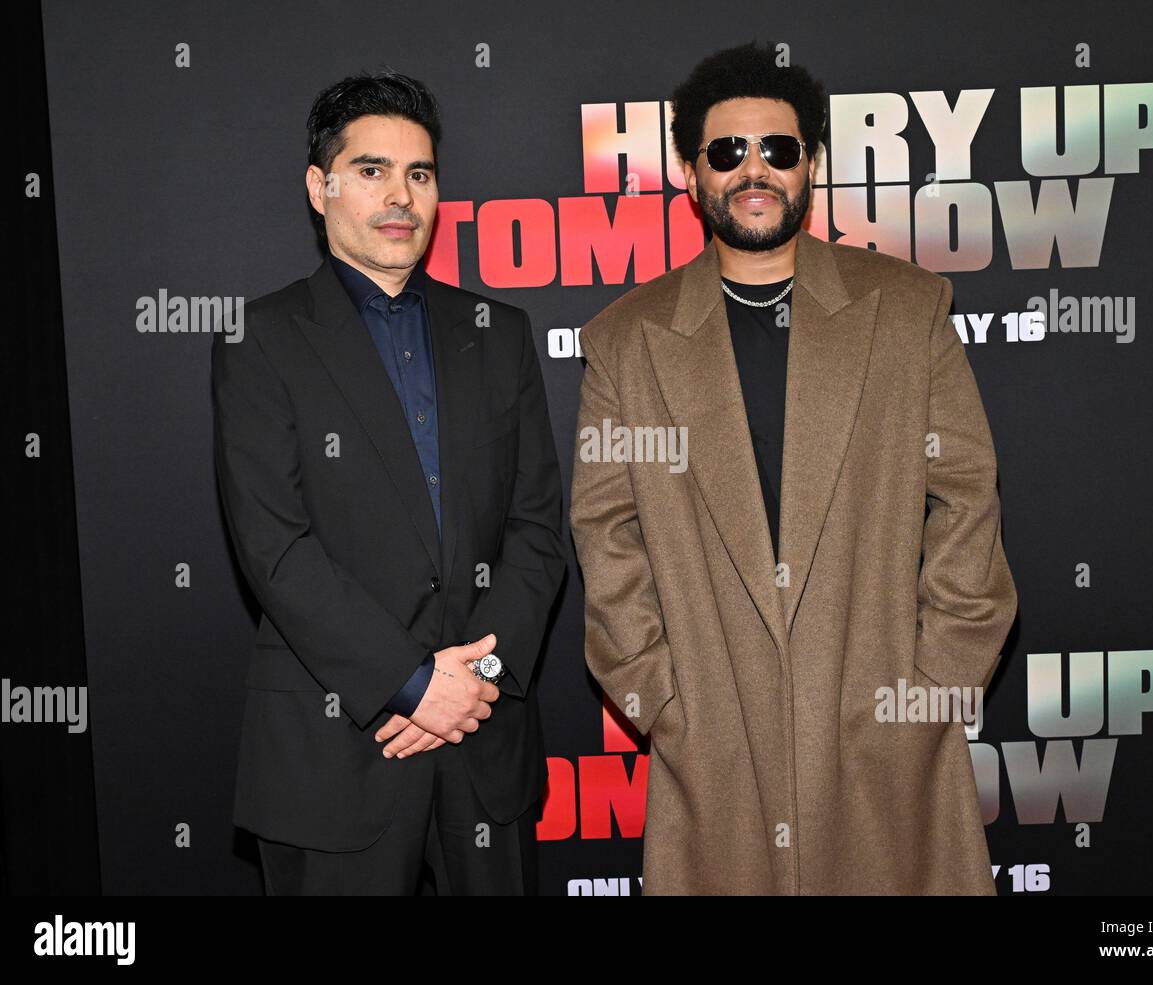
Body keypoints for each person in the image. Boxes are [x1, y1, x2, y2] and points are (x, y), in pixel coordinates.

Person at [569, 42, 1017, 894]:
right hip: (716, 750)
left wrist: (929, 691)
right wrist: (666, 705)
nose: (754, 170)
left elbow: (966, 498)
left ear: (811, 163)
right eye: (726, 152)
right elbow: (605, 534)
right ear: (691, 173)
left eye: (777, 149)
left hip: (886, 746)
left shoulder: (906, 309)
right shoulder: (626, 341)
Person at [212, 71, 565, 894]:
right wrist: (409, 685)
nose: (400, 195)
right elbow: (275, 548)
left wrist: (471, 685)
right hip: (337, 751)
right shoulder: (258, 339)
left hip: (486, 743)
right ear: (319, 185)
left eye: (420, 173)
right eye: (372, 170)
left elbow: (539, 529)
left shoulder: (500, 335)